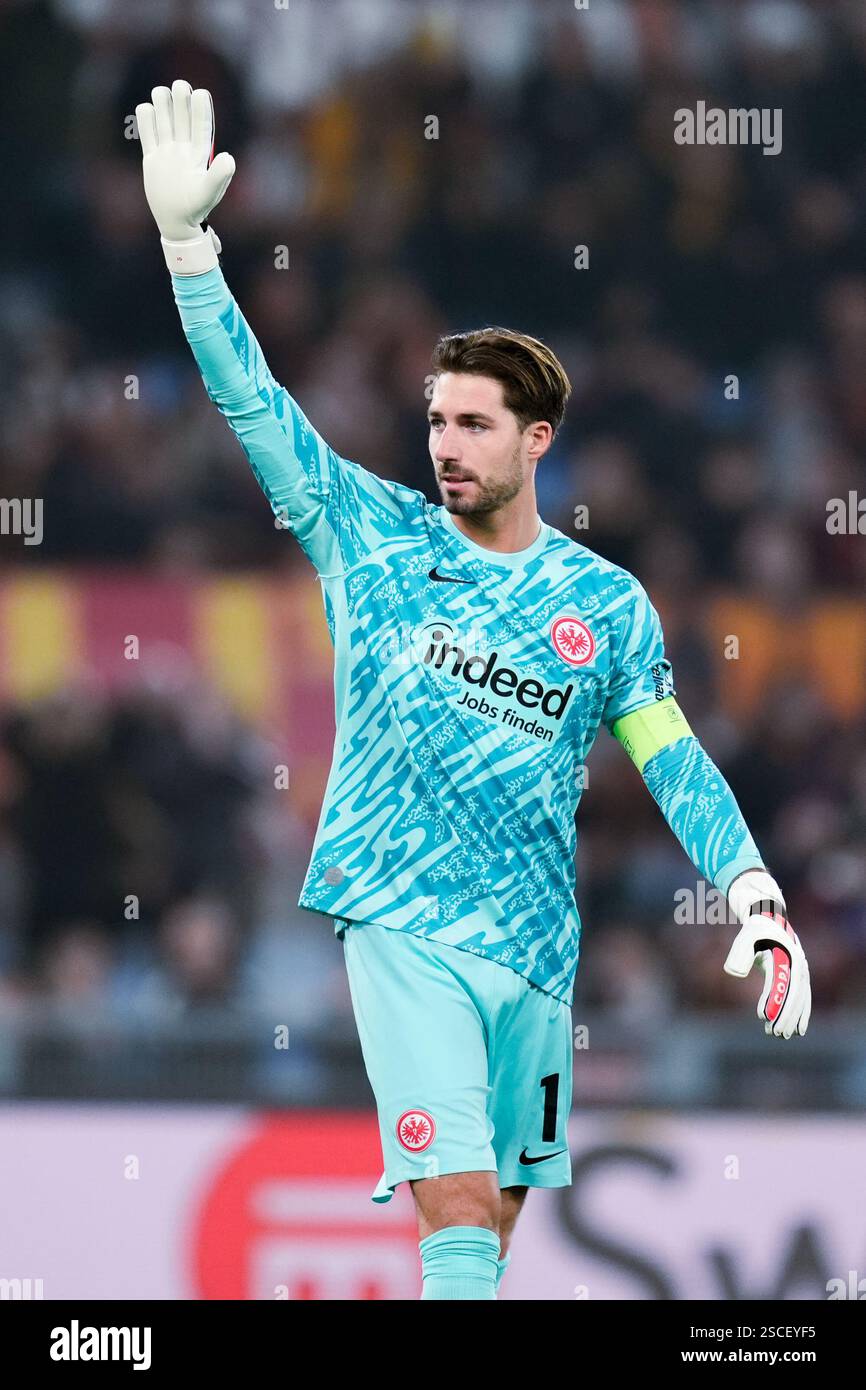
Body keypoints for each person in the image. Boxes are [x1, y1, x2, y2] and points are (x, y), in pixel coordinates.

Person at [135, 81, 812, 1301]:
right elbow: (251, 403)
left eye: (472, 425)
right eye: (434, 420)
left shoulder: (602, 606)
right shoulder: (367, 532)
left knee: (481, 1237)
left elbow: (669, 756)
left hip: (535, 949)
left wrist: (753, 893)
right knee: (448, 1199)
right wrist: (190, 251)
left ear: (535, 439)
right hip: (402, 921)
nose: (443, 444)